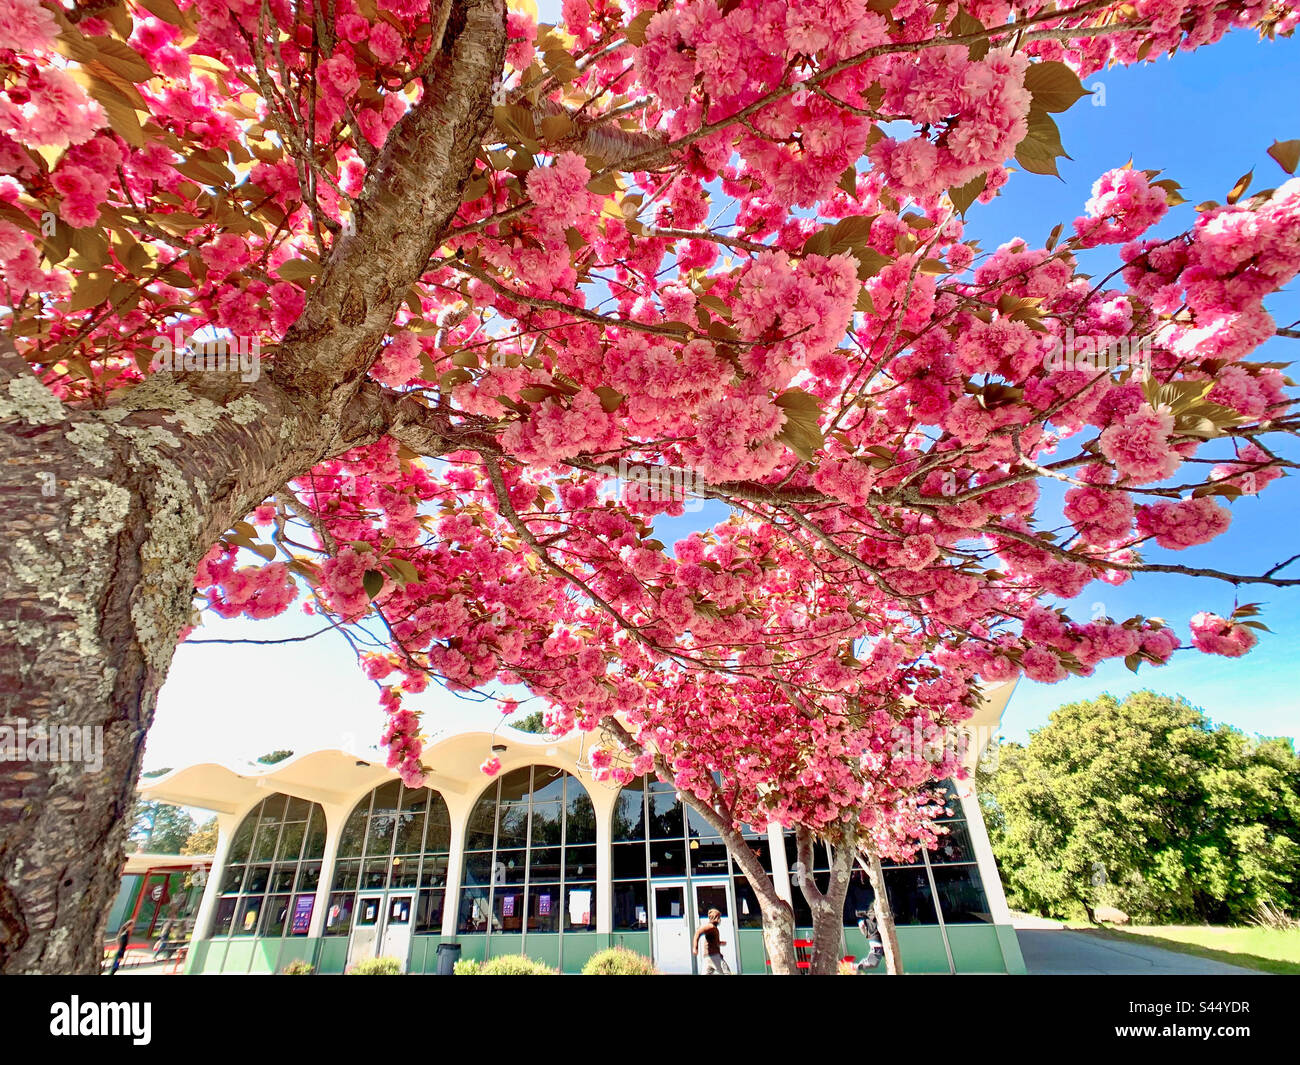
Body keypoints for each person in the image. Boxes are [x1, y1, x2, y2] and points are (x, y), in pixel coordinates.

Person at [693, 908, 730, 974]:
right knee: (726, 972)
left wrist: (720, 943)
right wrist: (695, 948)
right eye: (719, 917)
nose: (720, 920)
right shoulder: (711, 927)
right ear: (716, 918)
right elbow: (698, 932)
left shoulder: (713, 928)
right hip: (715, 957)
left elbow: (713, 943)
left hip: (707, 958)